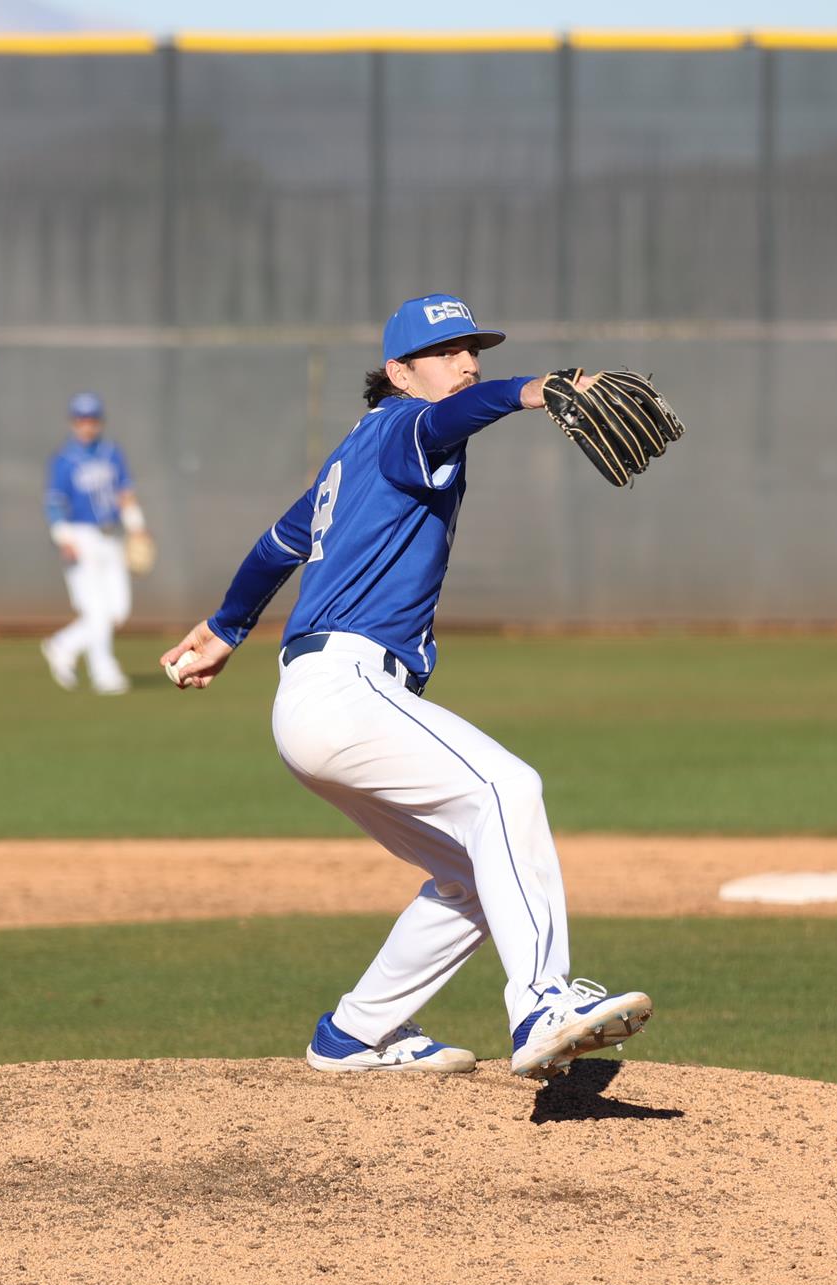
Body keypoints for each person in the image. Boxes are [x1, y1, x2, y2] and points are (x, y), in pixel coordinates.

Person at [160, 294, 653, 1080]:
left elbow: (277, 543)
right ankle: (542, 1001)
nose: (467, 363)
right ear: (399, 372)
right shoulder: (401, 428)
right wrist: (534, 388)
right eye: (446, 351)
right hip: (346, 688)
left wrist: (226, 627)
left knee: (472, 872)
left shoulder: (350, 457)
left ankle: (355, 1031)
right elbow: (449, 421)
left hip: (318, 703)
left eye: (474, 349)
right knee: (508, 789)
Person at [41, 391, 149, 696]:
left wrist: (137, 527)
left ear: (99, 421)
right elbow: (53, 503)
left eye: (91, 419)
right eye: (80, 419)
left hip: (111, 535)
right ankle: (104, 673)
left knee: (118, 609)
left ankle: (62, 644)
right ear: (74, 423)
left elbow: (125, 493)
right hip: (81, 536)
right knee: (98, 611)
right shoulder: (65, 459)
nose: (86, 425)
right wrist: (63, 537)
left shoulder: (112, 453)